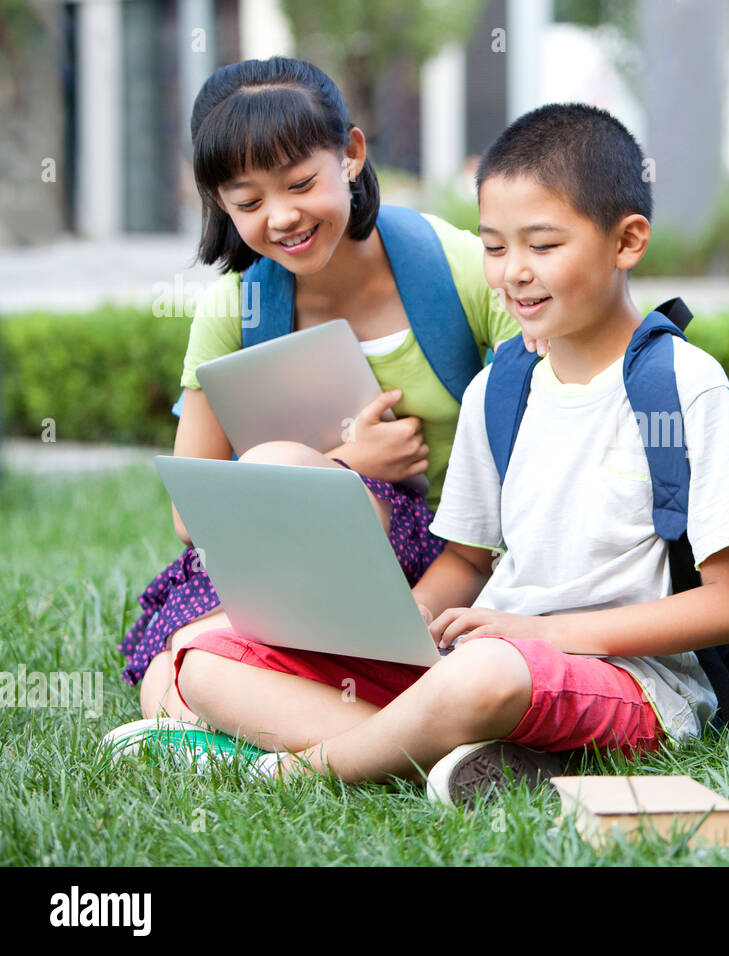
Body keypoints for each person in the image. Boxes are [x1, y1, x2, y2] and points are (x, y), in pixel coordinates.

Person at [163, 103, 729, 806]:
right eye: (493, 247)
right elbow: (466, 562)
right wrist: (400, 634)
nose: (514, 273)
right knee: (202, 658)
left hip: (627, 679)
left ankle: (305, 766)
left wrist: (538, 634)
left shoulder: (683, 386)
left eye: (543, 246)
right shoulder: (502, 387)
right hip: (484, 654)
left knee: (482, 679)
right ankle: (455, 749)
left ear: (627, 241)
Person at [116, 56, 522, 725]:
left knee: (272, 470)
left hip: (445, 553)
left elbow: (543, 440)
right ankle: (394, 740)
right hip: (290, 555)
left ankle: (336, 730)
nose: (282, 217)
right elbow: (193, 515)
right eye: (248, 201)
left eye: (300, 183)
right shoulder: (235, 306)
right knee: (171, 675)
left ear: (352, 155)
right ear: (221, 204)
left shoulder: (460, 272)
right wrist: (346, 466)